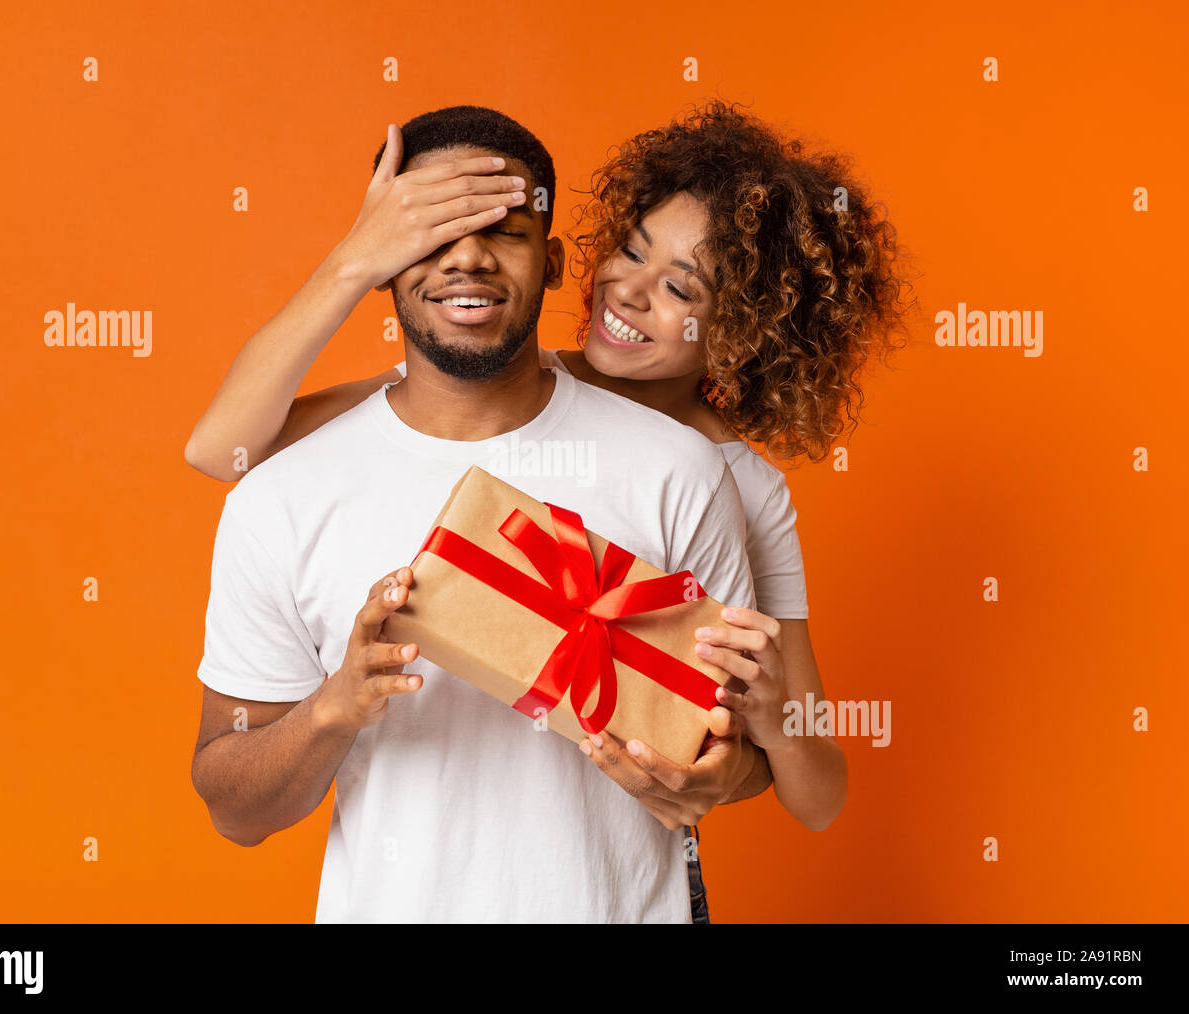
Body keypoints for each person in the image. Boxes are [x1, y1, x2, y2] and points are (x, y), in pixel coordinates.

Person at [187, 101, 909, 861]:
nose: (631, 294)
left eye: (682, 290)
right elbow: (222, 448)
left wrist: (742, 755)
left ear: (738, 333)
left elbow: (805, 785)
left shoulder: (724, 481)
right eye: (631, 254)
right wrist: (360, 257)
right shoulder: (509, 371)